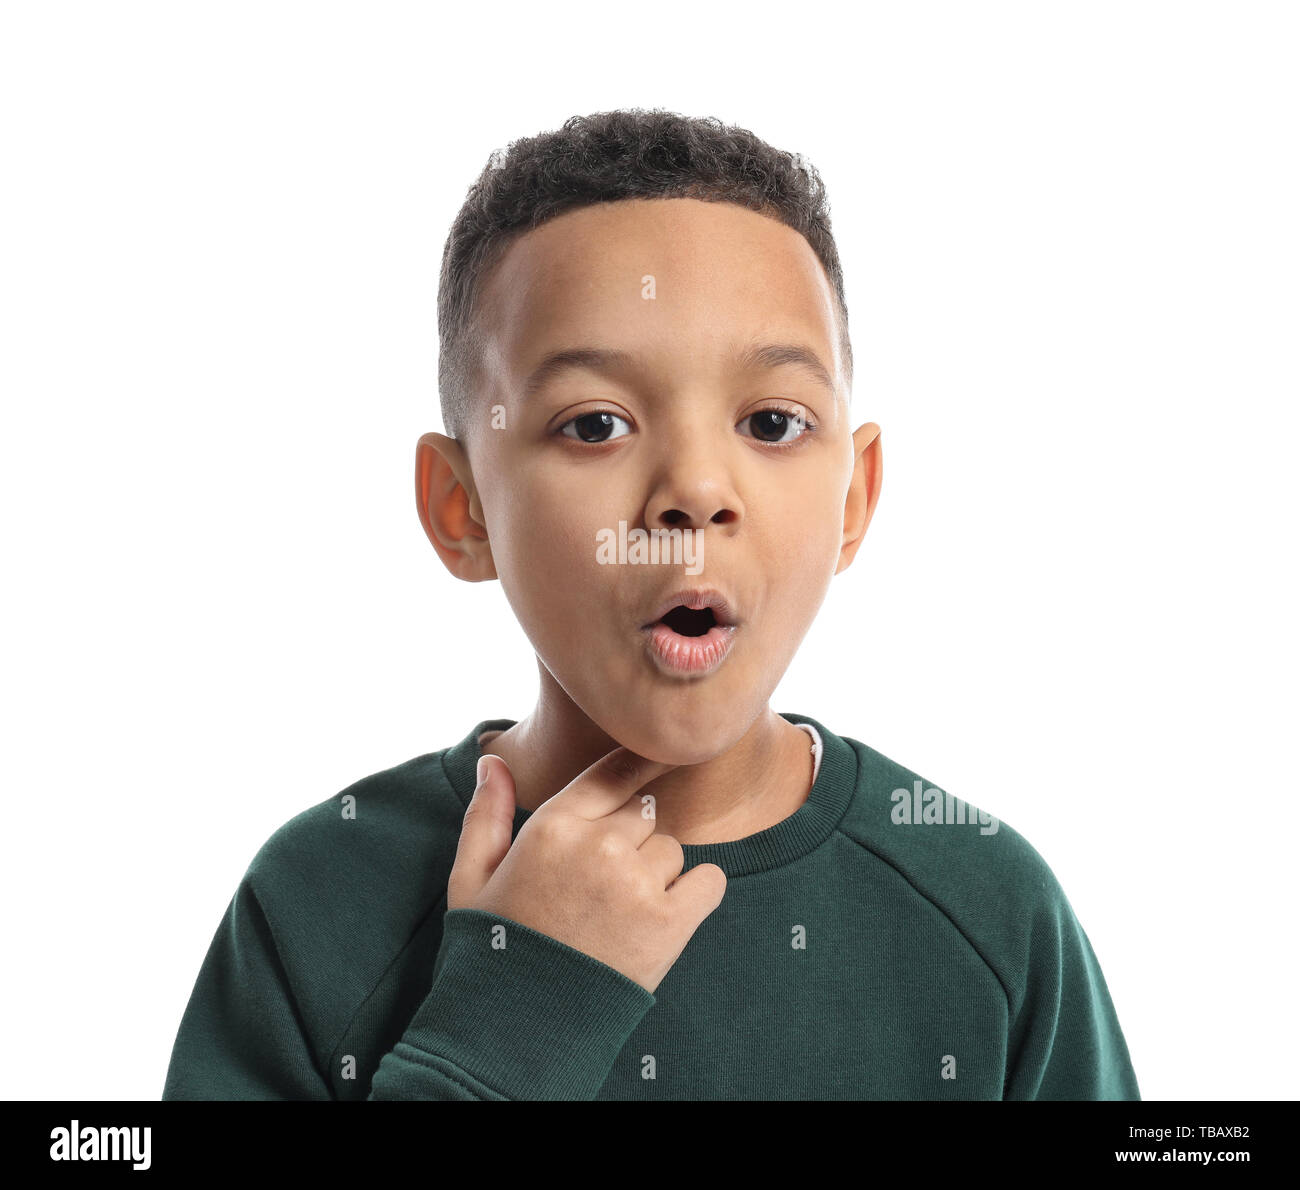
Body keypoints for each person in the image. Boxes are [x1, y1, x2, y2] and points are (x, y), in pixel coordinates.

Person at [163, 109, 1140, 1100]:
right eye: (595, 423)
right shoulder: (321, 896)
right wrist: (506, 1029)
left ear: (853, 498)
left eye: (770, 421)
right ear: (463, 511)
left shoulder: (988, 909)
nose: (694, 490)